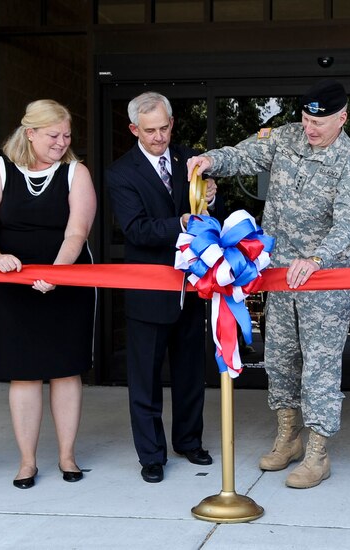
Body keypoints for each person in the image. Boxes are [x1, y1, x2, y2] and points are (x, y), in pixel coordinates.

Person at [187, 79, 350, 489]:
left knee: (320, 370)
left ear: (342, 118)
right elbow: (243, 156)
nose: (310, 128)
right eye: (306, 119)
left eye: (319, 122)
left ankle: (317, 454)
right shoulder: (285, 138)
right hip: (279, 277)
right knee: (280, 360)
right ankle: (288, 437)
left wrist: (318, 258)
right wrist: (208, 161)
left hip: (323, 282)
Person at [0, 99, 96, 489]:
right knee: (22, 373)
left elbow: (77, 232)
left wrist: (58, 272)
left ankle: (67, 456)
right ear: (30, 133)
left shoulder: (77, 172)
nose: (62, 142)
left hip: (67, 277)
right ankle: (27, 462)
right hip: (12, 284)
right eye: (53, 135)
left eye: (67, 135)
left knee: (64, 370)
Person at [105, 92, 218, 484]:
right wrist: (182, 223)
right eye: (149, 130)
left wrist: (210, 198)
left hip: (192, 286)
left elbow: (206, 214)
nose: (159, 137)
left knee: (191, 372)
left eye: (164, 128)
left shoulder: (191, 159)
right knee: (145, 379)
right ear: (134, 129)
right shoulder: (120, 173)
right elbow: (135, 229)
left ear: (172, 123)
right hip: (149, 290)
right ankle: (151, 455)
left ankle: (189, 441)